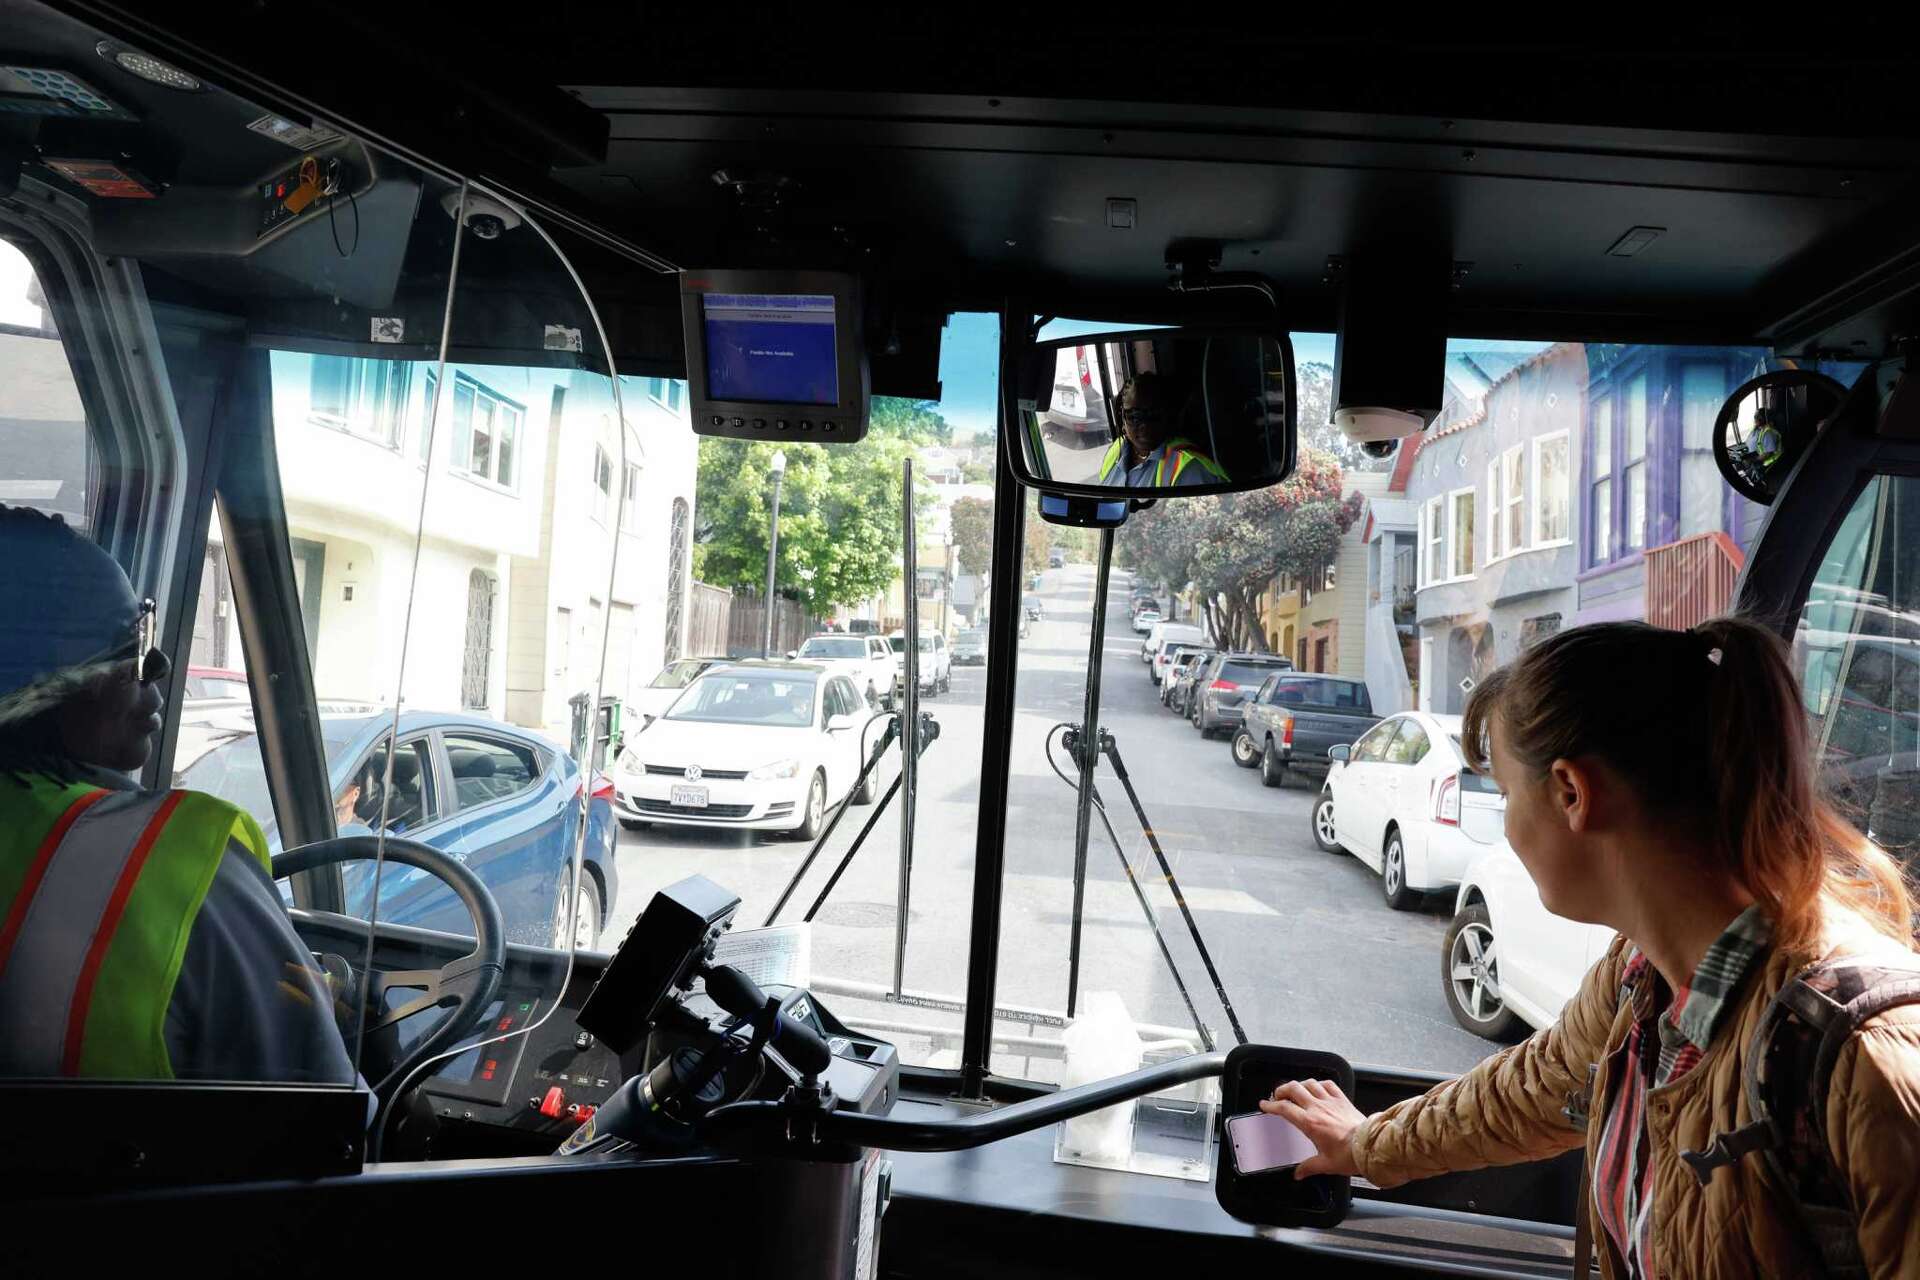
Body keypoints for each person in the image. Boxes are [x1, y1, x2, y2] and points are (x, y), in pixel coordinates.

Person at [1265, 617, 1920, 1276]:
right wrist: (1365, 1143)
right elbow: (1525, 1093)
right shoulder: (1639, 977)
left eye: (1506, 796)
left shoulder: (1863, 1055)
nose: (1507, 828)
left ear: (1572, 793)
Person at [0, 505, 354, 1083]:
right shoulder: (170, 869)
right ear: (41, 678)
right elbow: (331, 1123)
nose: (158, 663)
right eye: (128, 643)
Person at [1097, 373, 1229, 488]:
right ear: (1122, 418)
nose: (1144, 425)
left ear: (1168, 415)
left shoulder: (1189, 468)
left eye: (1154, 414)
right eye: (1134, 416)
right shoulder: (1115, 451)